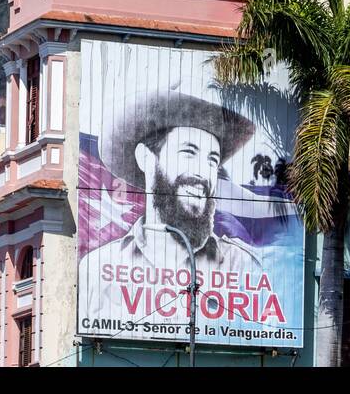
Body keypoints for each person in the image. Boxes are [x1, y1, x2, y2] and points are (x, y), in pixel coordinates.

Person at [83, 92, 263, 301]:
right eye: (188, 152)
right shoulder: (98, 267)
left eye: (212, 160)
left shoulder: (243, 265)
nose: (202, 172)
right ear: (146, 158)